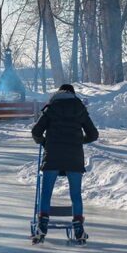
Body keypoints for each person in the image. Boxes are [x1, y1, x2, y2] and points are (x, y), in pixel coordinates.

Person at [31, 84, 99, 242]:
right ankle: (78, 228)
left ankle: (42, 225)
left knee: (46, 192)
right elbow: (93, 134)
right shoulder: (79, 108)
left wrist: (44, 142)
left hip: (53, 155)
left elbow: (36, 132)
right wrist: (78, 141)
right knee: (75, 194)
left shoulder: (51, 108)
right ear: (73, 94)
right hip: (74, 156)